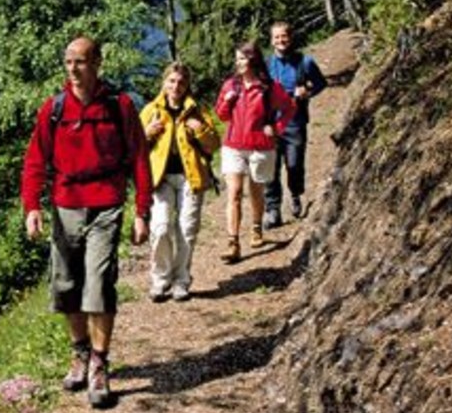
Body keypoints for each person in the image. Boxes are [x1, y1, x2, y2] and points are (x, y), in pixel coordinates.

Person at [21, 36, 152, 409]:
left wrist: (141, 211)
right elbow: (35, 161)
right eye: (68, 62)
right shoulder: (54, 110)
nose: (73, 70)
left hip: (107, 204)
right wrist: (33, 206)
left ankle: (98, 362)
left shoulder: (119, 107)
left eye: (80, 62)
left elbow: (139, 160)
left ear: (97, 63)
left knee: (98, 283)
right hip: (65, 206)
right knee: (66, 286)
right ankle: (79, 352)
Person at [139, 62, 220, 302]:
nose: (176, 86)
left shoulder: (197, 110)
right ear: (164, 83)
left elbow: (214, 144)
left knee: (187, 230)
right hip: (160, 179)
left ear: (187, 86)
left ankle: (181, 280)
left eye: (181, 82)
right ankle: (160, 279)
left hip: (191, 177)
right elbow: (133, 147)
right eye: (172, 81)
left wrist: (201, 131)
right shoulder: (151, 110)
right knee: (161, 227)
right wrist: (147, 133)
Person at [214, 42, 296, 263]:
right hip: (233, 146)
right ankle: (233, 243)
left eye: (242, 58)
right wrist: (228, 100)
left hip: (261, 146)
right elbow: (221, 115)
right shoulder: (231, 85)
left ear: (253, 60)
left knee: (256, 191)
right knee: (234, 192)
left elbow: (289, 108)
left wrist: (277, 128)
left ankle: (257, 227)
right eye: (237, 59)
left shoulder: (269, 87)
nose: (238, 63)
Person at [265, 21, 327, 227]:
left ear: (290, 38)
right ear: (271, 40)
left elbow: (321, 83)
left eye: (284, 36)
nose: (281, 40)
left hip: (295, 122)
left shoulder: (305, 62)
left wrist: (307, 92)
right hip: (270, 125)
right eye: (277, 37)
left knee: (294, 165)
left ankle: (295, 194)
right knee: (270, 169)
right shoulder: (265, 66)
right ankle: (273, 210)